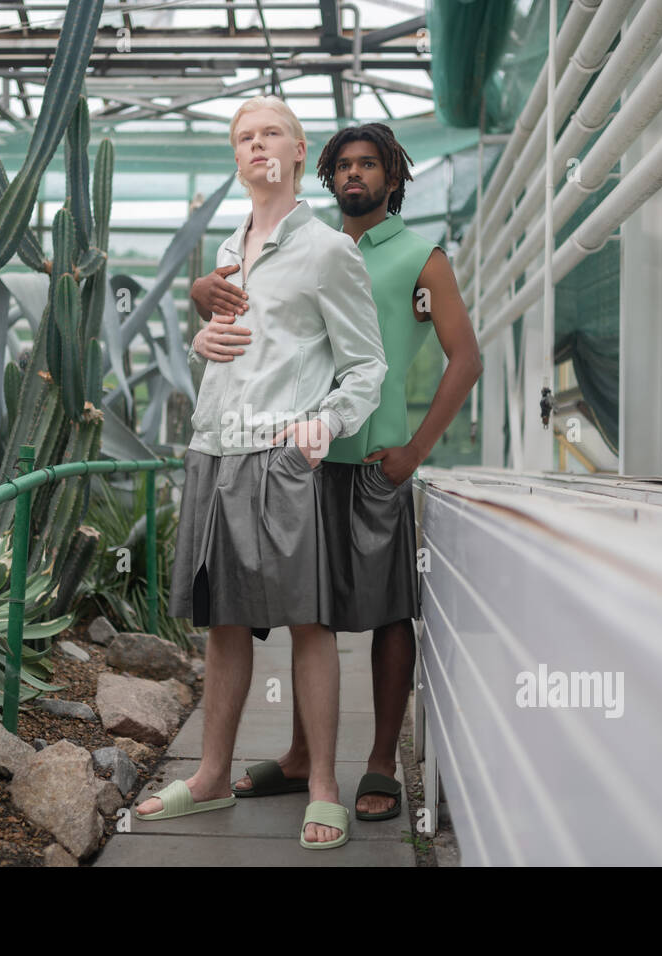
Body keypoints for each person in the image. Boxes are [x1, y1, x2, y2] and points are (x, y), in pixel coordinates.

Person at [189, 122, 482, 821]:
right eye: (344, 165)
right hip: (296, 457)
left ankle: (380, 763)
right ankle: (298, 757)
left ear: (393, 176)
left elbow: (465, 358)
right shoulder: (291, 247)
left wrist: (414, 450)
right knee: (304, 611)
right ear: (324, 174)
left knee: (384, 609)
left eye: (370, 165)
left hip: (372, 459)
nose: (356, 175)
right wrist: (204, 297)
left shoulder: (421, 257)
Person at [134, 96, 387, 850]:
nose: (256, 144)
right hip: (214, 448)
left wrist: (324, 424)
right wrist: (204, 341)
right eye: (244, 137)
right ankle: (211, 778)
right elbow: (229, 350)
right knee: (222, 623)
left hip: (281, 455)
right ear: (236, 159)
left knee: (309, 623)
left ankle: (324, 788)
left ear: (299, 153)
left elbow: (366, 366)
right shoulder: (227, 250)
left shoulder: (328, 251)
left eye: (271, 132)